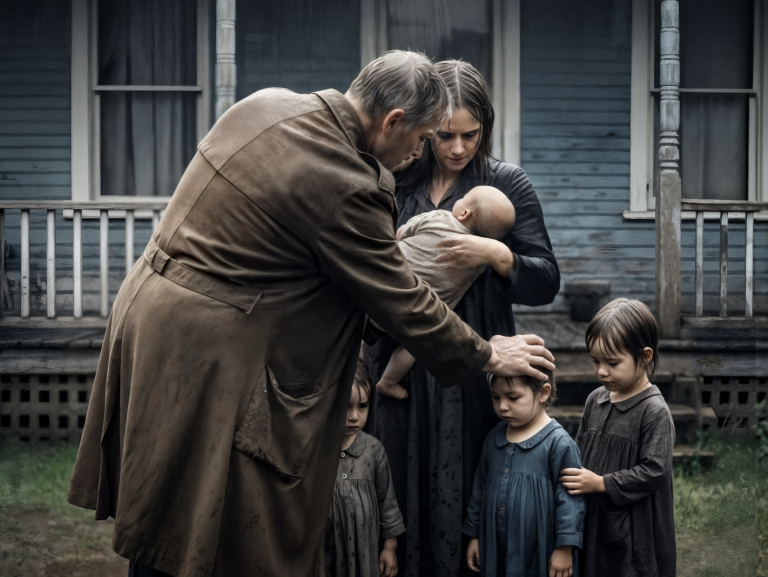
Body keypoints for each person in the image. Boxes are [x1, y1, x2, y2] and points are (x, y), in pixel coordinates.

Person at [66, 50, 556, 577]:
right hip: (208, 343)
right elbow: (401, 300)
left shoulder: (269, 104)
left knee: (167, 490)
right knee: (201, 509)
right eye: (421, 139)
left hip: (146, 313)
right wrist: (486, 352)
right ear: (393, 122)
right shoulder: (347, 181)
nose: (421, 154)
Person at [367, 60, 560, 576]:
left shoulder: (504, 185)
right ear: (426, 129)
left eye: (469, 134)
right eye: (444, 135)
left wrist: (494, 255)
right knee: (401, 487)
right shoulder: (399, 179)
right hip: (401, 362)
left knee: (468, 488)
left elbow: (545, 279)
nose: (456, 147)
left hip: (475, 366)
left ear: (486, 126)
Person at [558, 299, 676, 577]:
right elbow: (579, 450)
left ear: (645, 356)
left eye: (612, 362)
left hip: (636, 524)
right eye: (596, 361)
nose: (601, 371)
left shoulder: (653, 410)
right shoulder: (595, 400)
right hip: (596, 516)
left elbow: (656, 470)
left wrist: (601, 483)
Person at [376, 185, 516, 400]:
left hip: (382, 286)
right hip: (418, 313)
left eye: (464, 197)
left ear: (464, 213)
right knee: (412, 347)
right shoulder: (481, 260)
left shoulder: (440, 218)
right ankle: (388, 382)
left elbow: (402, 232)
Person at [463, 370, 584, 577]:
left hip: (539, 552)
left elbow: (570, 501)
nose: (502, 406)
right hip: (494, 546)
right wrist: (474, 536)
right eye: (495, 397)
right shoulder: (494, 438)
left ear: (543, 393)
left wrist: (564, 548)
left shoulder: (559, 444)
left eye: (513, 397)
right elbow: (479, 489)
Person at [325, 357, 404, 577]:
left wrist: (389, 549)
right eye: (345, 406)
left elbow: (387, 504)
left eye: (362, 406)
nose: (354, 417)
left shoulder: (373, 450)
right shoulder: (318, 451)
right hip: (326, 554)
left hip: (364, 555)